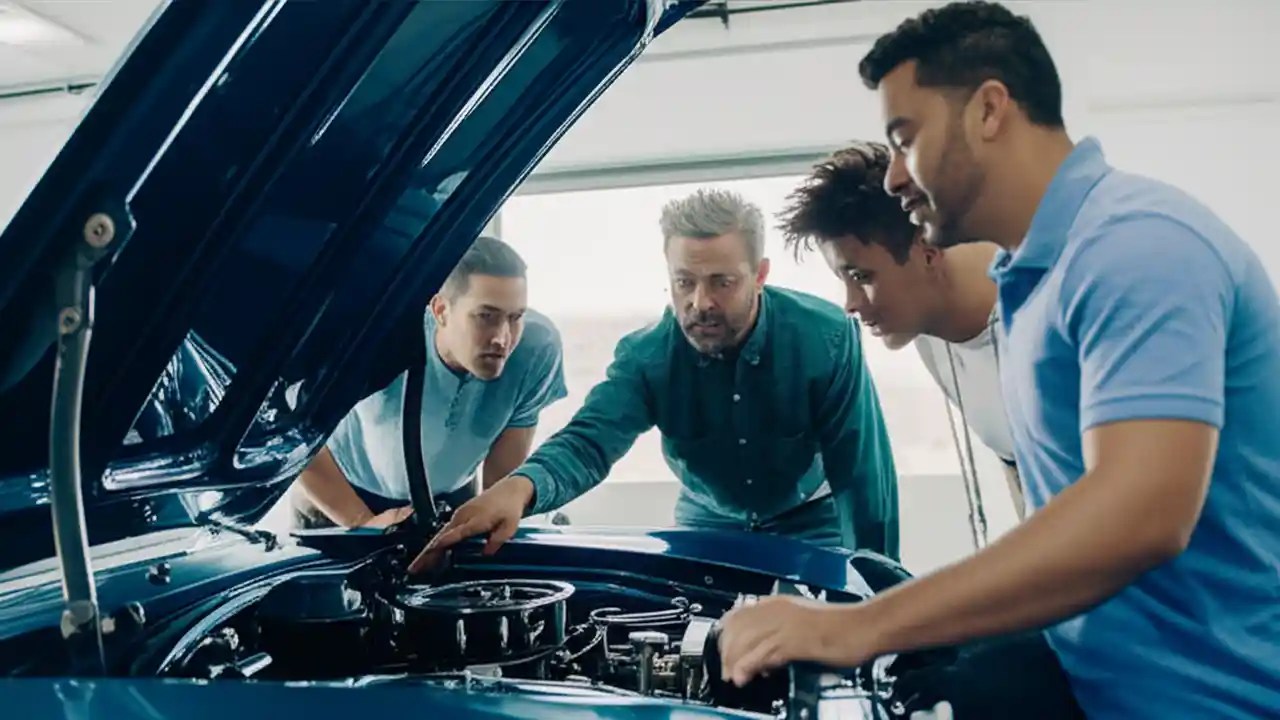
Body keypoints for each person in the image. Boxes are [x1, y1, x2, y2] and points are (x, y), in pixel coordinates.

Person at [716, 3, 1280, 719]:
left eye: (904, 138)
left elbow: (1142, 513)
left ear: (989, 109)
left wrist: (855, 627)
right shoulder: (1028, 281)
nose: (893, 177)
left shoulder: (1137, 246)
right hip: (1093, 679)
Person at [410, 188, 899, 570]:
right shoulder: (646, 357)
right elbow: (588, 444)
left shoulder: (828, 338)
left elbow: (862, 478)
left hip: (812, 521)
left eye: (722, 283)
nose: (700, 303)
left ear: (760, 274)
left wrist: (878, 598)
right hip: (708, 524)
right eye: (684, 282)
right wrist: (520, 488)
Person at [777, 141, 1025, 523]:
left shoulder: (1043, 317)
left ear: (926, 252)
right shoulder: (925, 327)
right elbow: (1018, 472)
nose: (850, 304)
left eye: (861, 276)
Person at [289, 235, 567, 529]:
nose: (502, 338)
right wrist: (362, 522)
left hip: (451, 497)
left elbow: (502, 475)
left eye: (515, 317)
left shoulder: (537, 348)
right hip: (337, 498)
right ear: (441, 311)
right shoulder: (376, 336)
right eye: (485, 316)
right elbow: (291, 438)